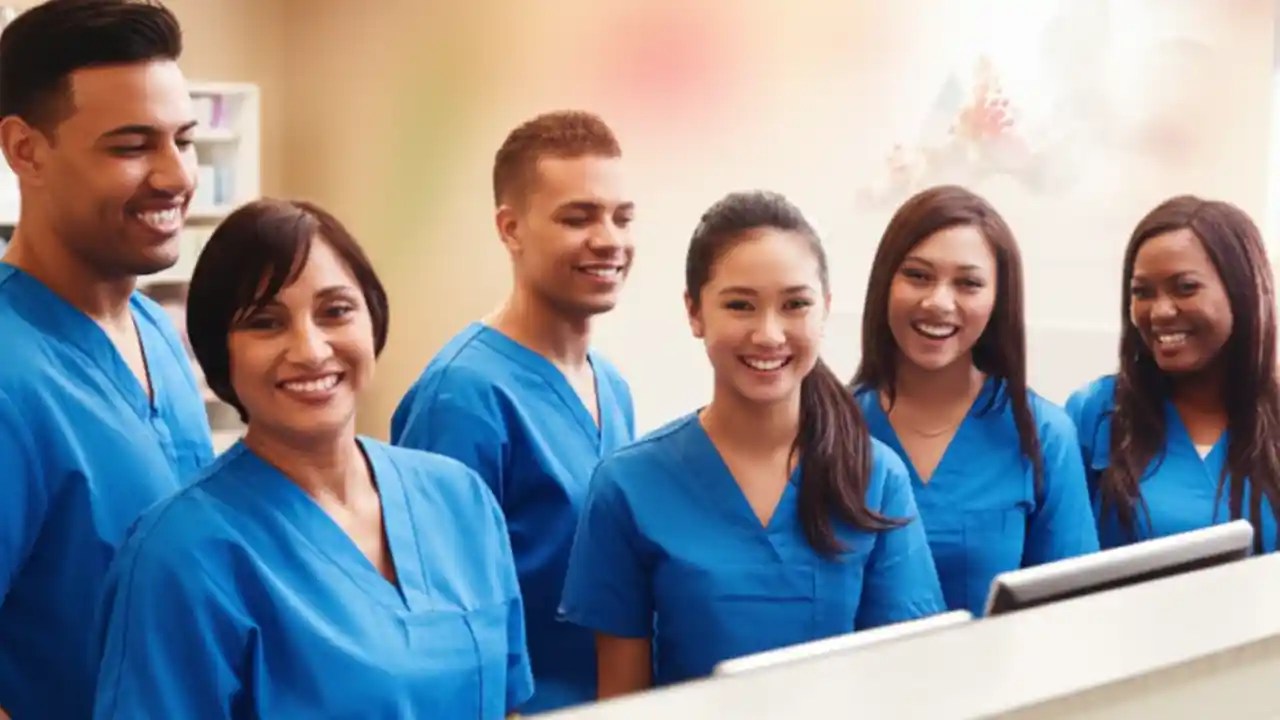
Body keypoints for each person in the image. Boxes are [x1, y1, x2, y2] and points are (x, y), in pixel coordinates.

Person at [93, 199, 533, 719]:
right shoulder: (180, 555)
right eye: (265, 322)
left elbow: (507, 704)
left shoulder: (460, 500)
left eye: (335, 311)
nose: (310, 350)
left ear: (372, 317)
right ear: (220, 352)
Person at [559, 190, 946, 697]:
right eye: (740, 305)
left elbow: (909, 686)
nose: (769, 334)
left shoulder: (875, 477)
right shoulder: (628, 486)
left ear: (825, 310)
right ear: (694, 312)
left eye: (795, 305)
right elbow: (622, 703)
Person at [0, 2, 213, 716]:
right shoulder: (11, 375)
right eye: (131, 147)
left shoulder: (156, 331)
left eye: (184, 140)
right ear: (26, 151)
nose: (175, 176)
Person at [391, 110, 635, 712]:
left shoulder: (611, 386)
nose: (608, 239)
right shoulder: (461, 397)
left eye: (622, 217)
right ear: (511, 228)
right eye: (578, 218)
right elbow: (435, 616)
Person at [851, 185, 1098, 617]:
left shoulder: (1043, 436)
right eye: (918, 275)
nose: (938, 302)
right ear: (885, 282)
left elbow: (1074, 612)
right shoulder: (832, 430)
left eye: (968, 283)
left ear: (998, 300)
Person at [1066, 196, 1280, 552]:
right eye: (1142, 293)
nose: (1160, 311)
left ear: (1242, 291)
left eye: (1185, 287)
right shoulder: (1095, 414)